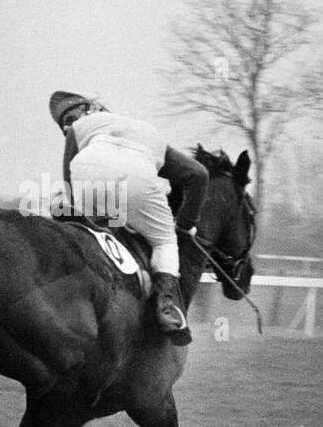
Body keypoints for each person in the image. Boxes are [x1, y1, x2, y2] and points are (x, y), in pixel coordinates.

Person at [49, 91, 208, 344]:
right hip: (139, 177)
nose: (68, 125)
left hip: (89, 173)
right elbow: (198, 175)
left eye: (70, 117)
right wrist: (186, 225)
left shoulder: (79, 130)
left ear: (90, 109)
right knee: (165, 242)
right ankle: (166, 309)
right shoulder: (148, 131)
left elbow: (70, 186)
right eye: (64, 124)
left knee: (69, 214)